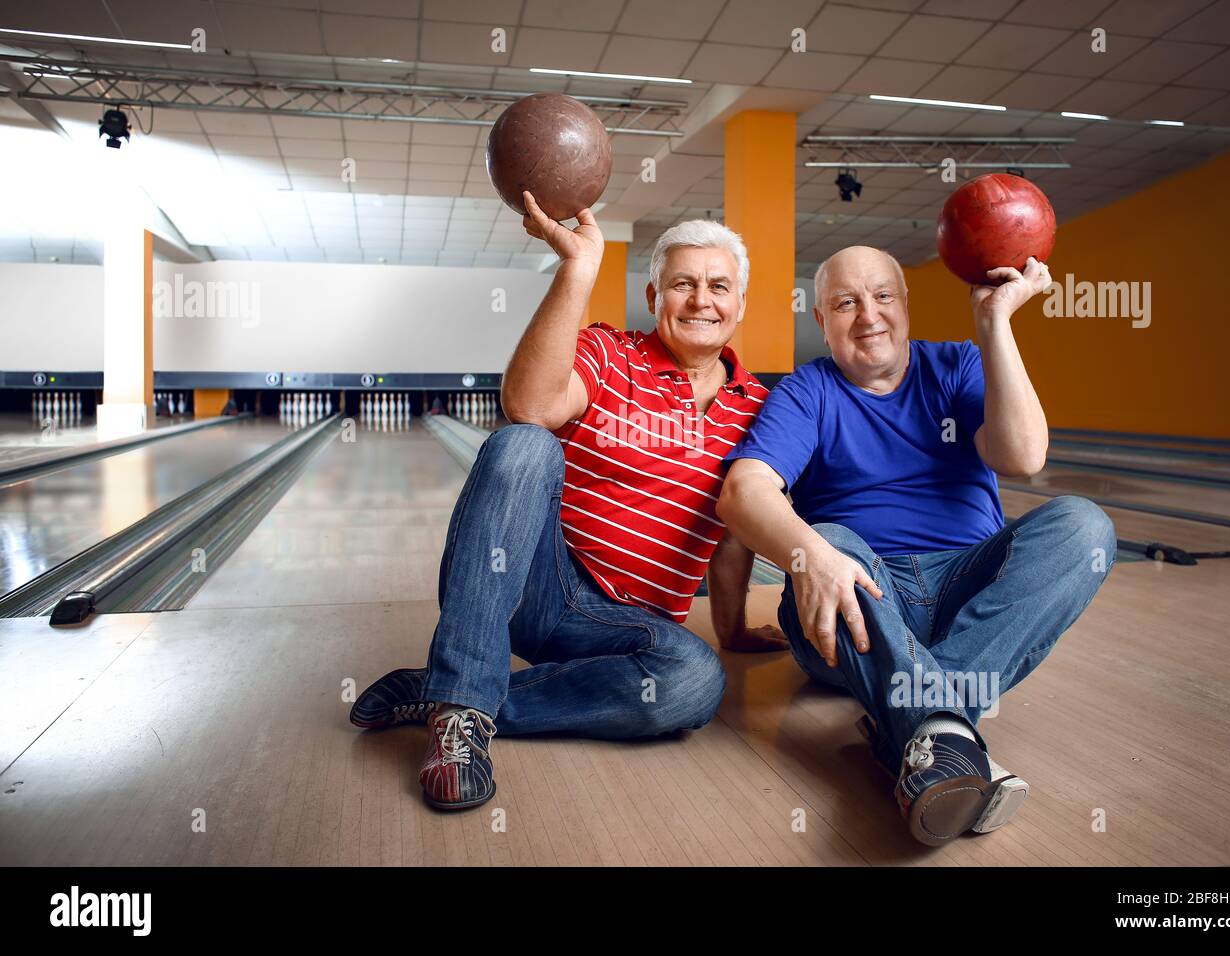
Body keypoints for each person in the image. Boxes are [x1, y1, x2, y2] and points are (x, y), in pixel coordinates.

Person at [350, 192, 782, 810]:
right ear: (654, 298)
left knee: (694, 683)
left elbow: (739, 526)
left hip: (630, 630)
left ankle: (457, 692)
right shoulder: (611, 353)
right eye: (682, 284)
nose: (702, 300)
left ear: (739, 303)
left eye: (719, 286)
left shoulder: (759, 409)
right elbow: (529, 405)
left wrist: (734, 629)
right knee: (525, 444)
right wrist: (576, 271)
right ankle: (459, 720)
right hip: (536, 585)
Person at [717, 246, 1115, 846]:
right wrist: (813, 553)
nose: (867, 315)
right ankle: (946, 727)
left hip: (965, 595)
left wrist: (995, 325)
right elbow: (744, 493)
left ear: (905, 305)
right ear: (821, 321)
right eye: (845, 303)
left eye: (882, 296)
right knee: (825, 540)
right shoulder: (808, 391)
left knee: (1083, 526)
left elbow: (1023, 456)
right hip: (858, 601)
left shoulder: (956, 366)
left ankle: (925, 728)